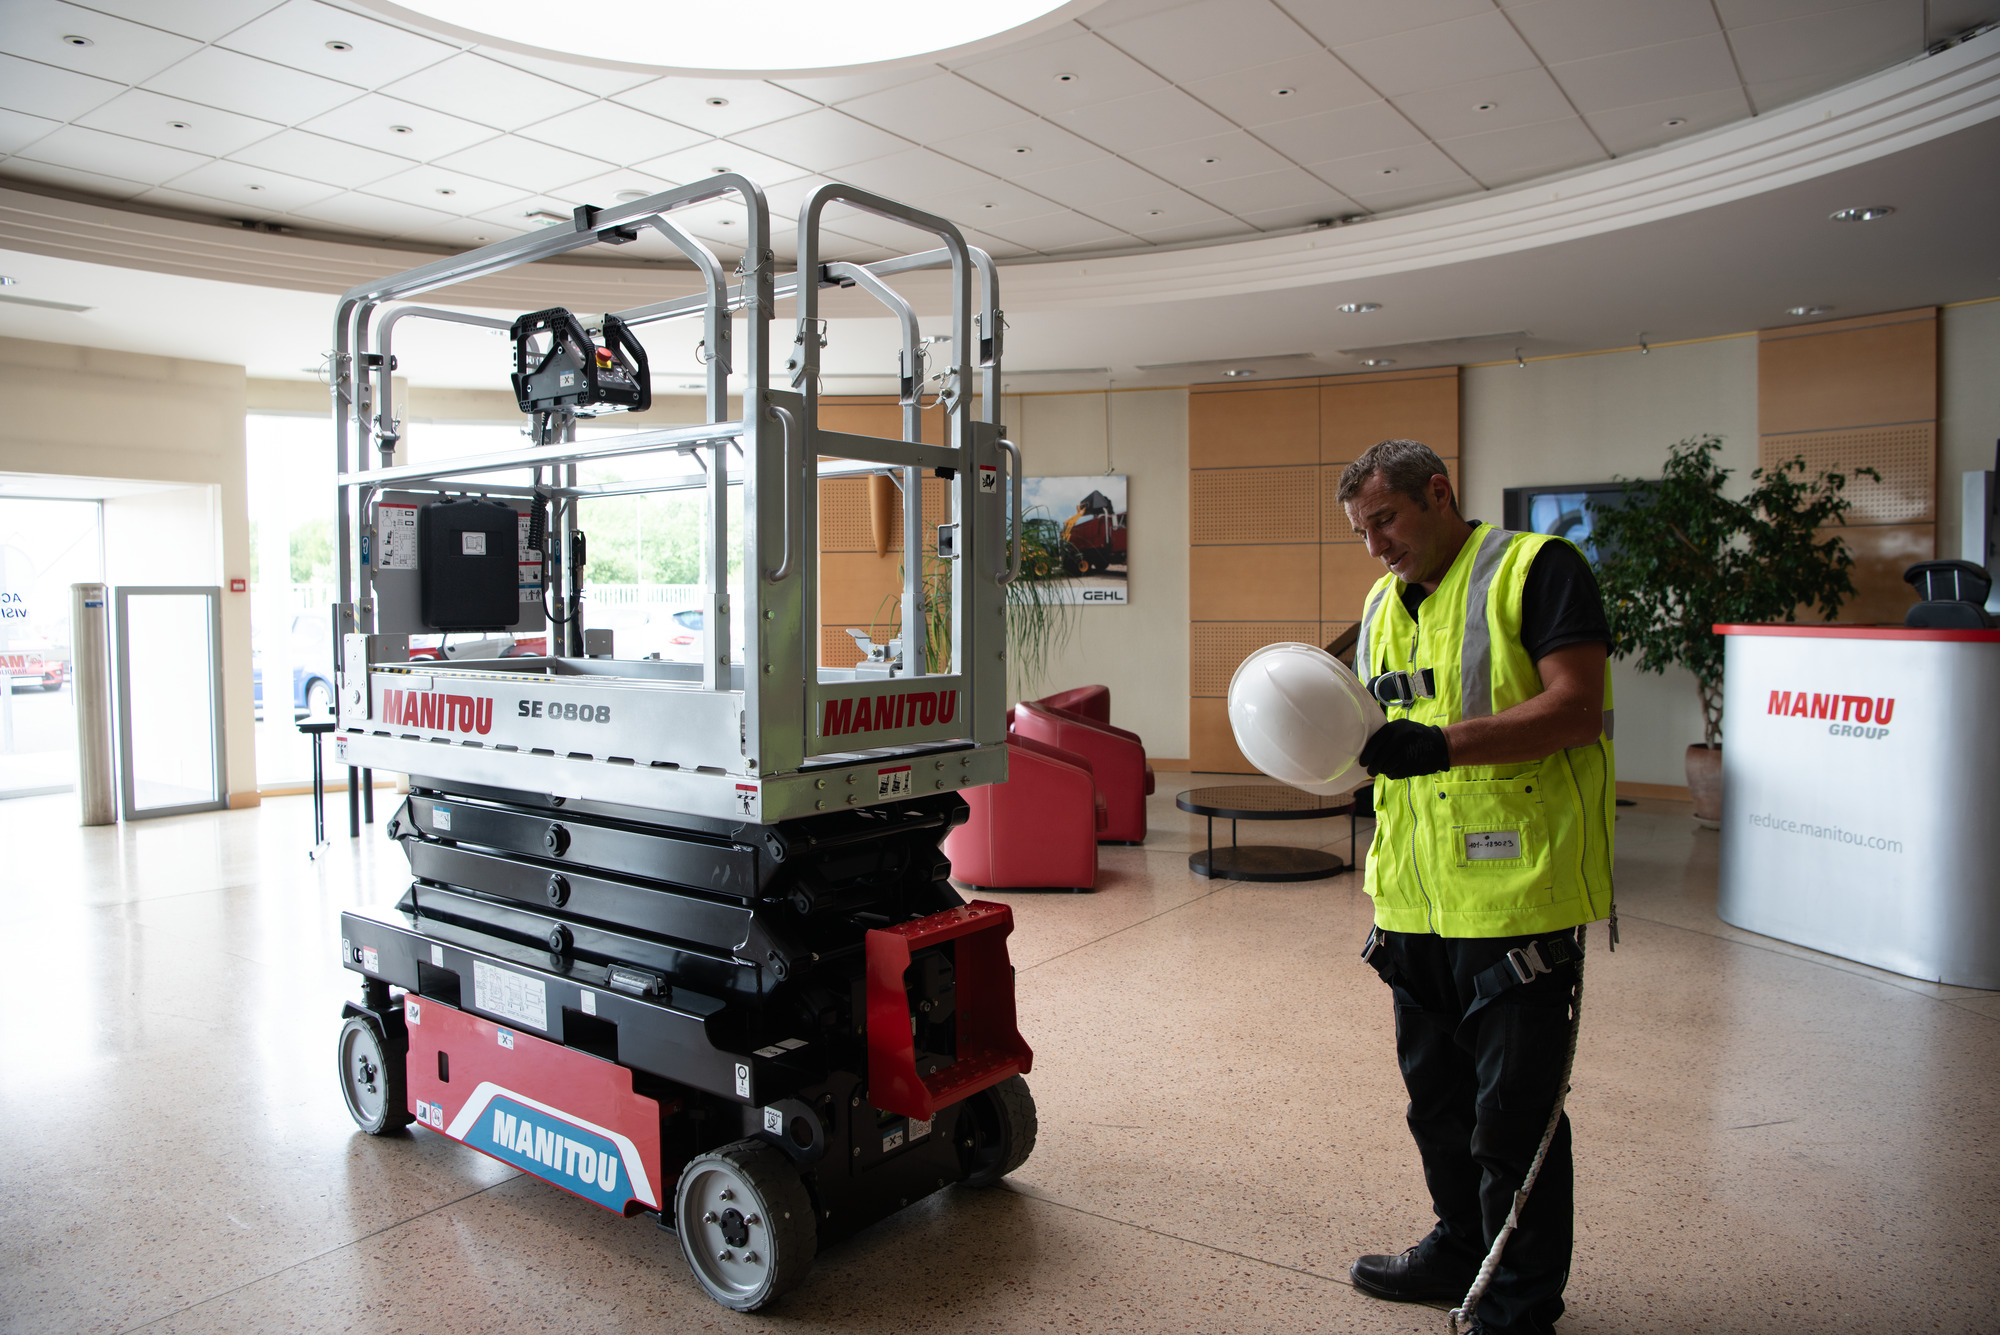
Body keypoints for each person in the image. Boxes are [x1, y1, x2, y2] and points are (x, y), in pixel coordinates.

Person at [1338, 439, 1615, 1335]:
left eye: (1385, 519)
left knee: (1514, 1118)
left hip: (1517, 899)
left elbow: (1577, 705)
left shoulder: (1537, 569)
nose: (1375, 544)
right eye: (1360, 530)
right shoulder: (1383, 602)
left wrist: (1441, 744)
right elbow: (1374, 723)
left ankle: (1519, 1300)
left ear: (1438, 493)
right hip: (1415, 901)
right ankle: (1461, 1245)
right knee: (1439, 1105)